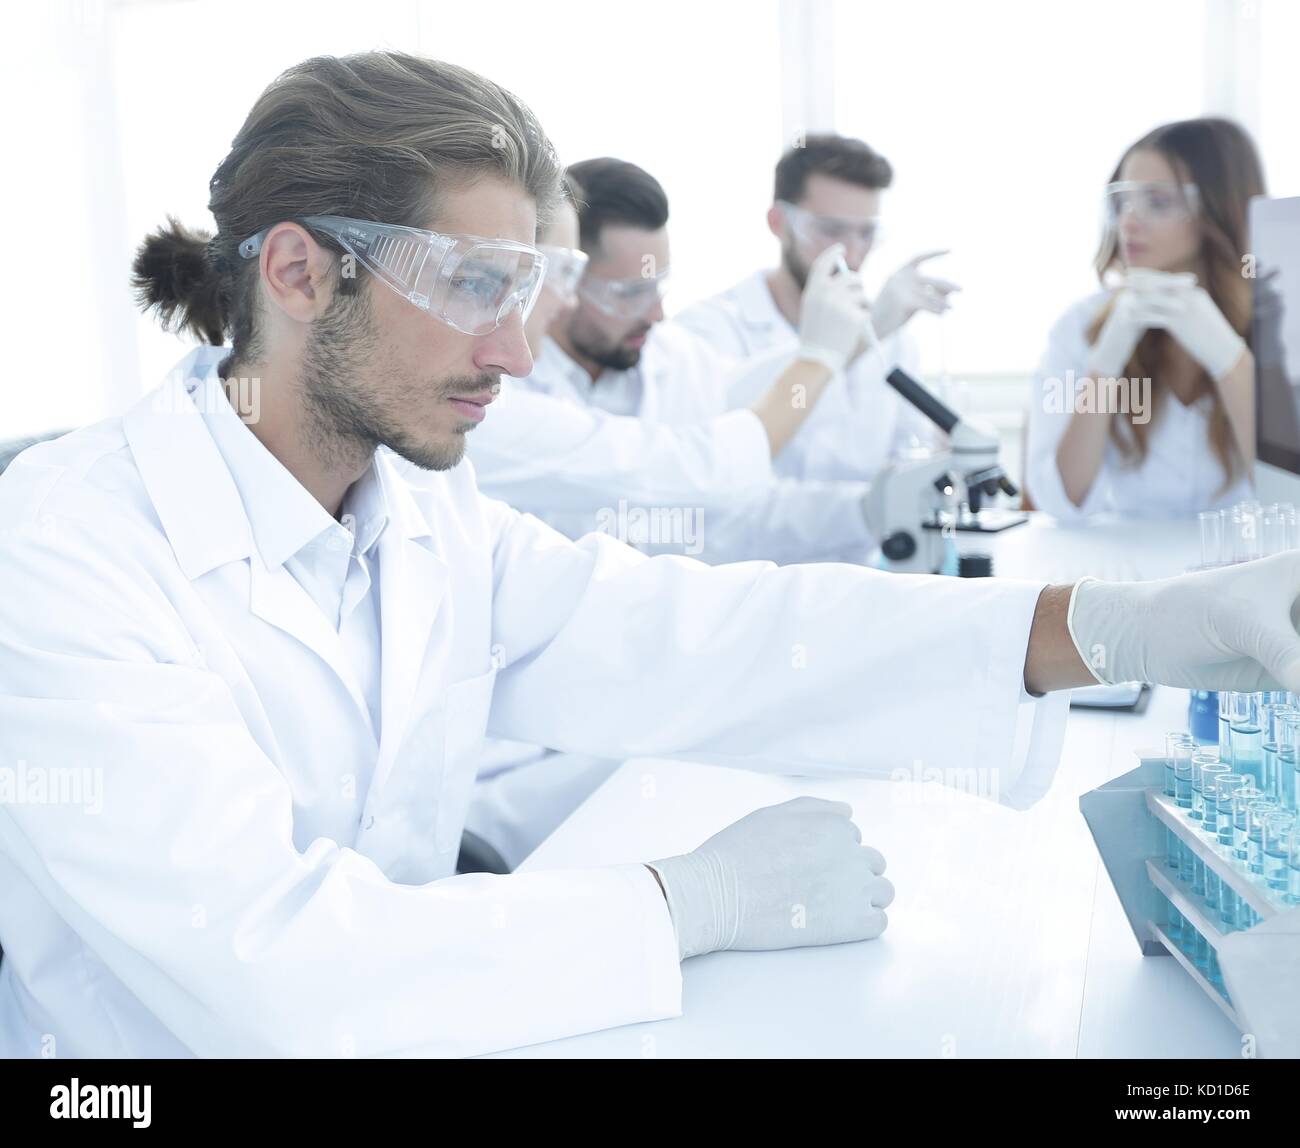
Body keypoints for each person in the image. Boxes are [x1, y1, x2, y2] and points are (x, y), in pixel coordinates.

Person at [2, 52, 1297, 1060]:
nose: (513, 351)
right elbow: (267, 971)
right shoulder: (69, 553)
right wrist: (687, 903)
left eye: (528, 291)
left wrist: (1114, 629)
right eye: (471, 286)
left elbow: (701, 630)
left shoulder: (417, 510)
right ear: (295, 272)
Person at [468, 167, 884, 565]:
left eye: (659, 287)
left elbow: (744, 413)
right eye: (630, 293)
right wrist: (816, 361)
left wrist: (866, 509)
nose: (657, 314)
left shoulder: (675, 355)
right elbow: (702, 471)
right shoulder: (493, 398)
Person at [677, 133, 956, 482]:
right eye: (829, 230)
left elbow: (909, 461)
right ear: (778, 223)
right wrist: (862, 337)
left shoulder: (897, 342)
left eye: (866, 233)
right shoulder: (705, 330)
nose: (852, 254)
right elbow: (729, 445)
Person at [1025, 117, 1261, 519]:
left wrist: (1231, 362)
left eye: (1158, 202)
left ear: (1218, 210)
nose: (1129, 221)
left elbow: (1289, 490)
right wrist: (1104, 364)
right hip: (1126, 572)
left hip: (1239, 568)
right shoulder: (1083, 326)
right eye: (1123, 201)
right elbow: (1062, 499)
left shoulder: (1275, 324)